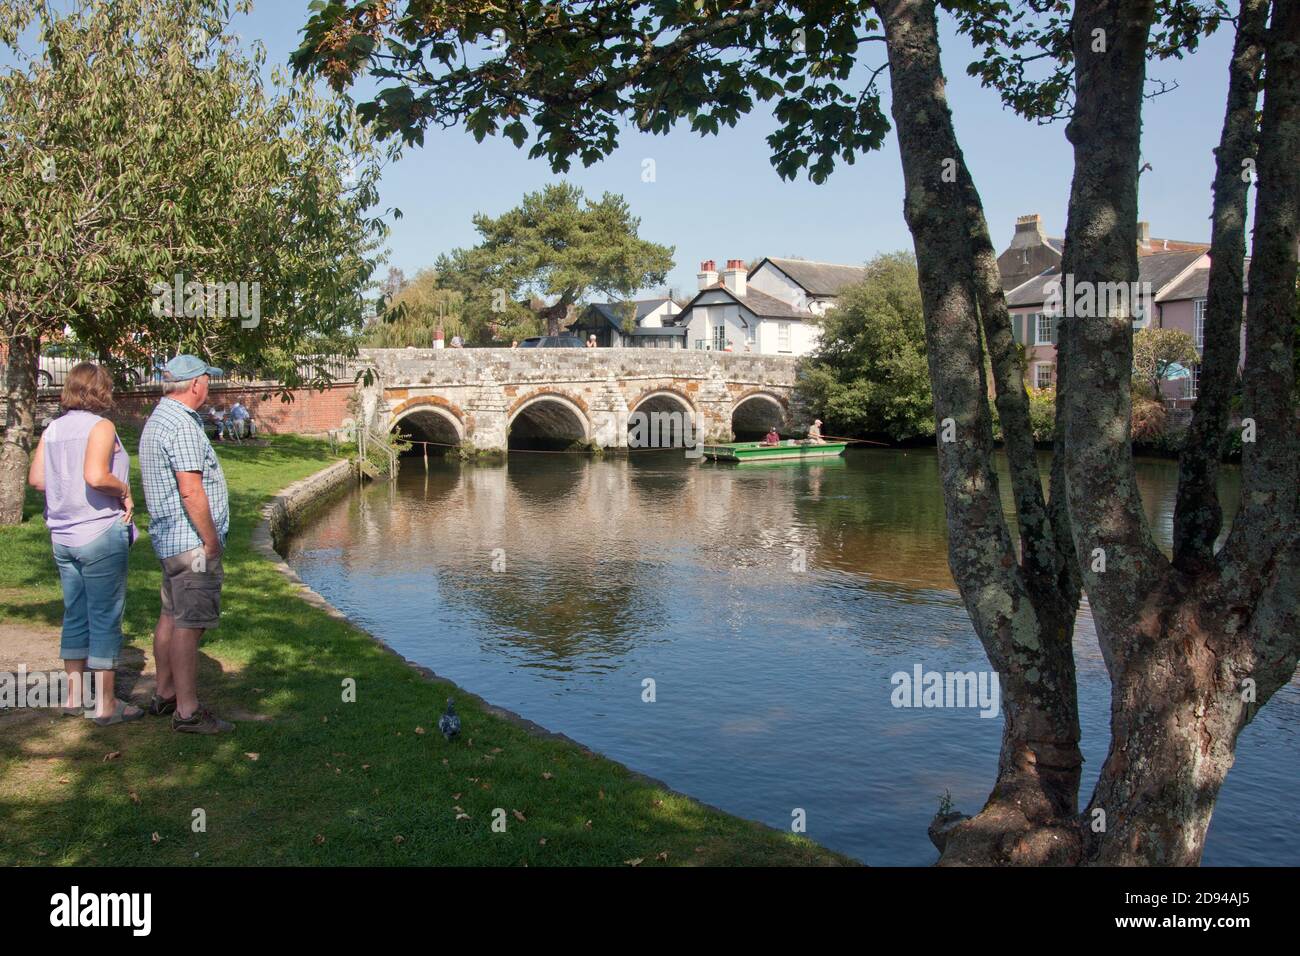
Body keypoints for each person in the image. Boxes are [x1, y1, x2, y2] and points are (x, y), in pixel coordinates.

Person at [26, 363, 140, 725]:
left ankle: (74, 696)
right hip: (98, 532)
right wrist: (123, 490)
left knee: (75, 612)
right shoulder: (101, 426)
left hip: (63, 535)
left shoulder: (53, 428)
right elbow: (95, 475)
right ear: (100, 390)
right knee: (105, 615)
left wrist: (67, 486)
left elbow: (37, 480)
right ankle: (106, 704)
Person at [139, 355, 232, 734]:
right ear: (195, 384)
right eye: (208, 380)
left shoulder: (159, 418)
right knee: (190, 624)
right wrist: (210, 542)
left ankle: (165, 693)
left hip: (169, 540)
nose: (210, 386)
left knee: (171, 616)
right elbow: (191, 490)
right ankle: (188, 711)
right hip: (191, 544)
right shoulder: (181, 426)